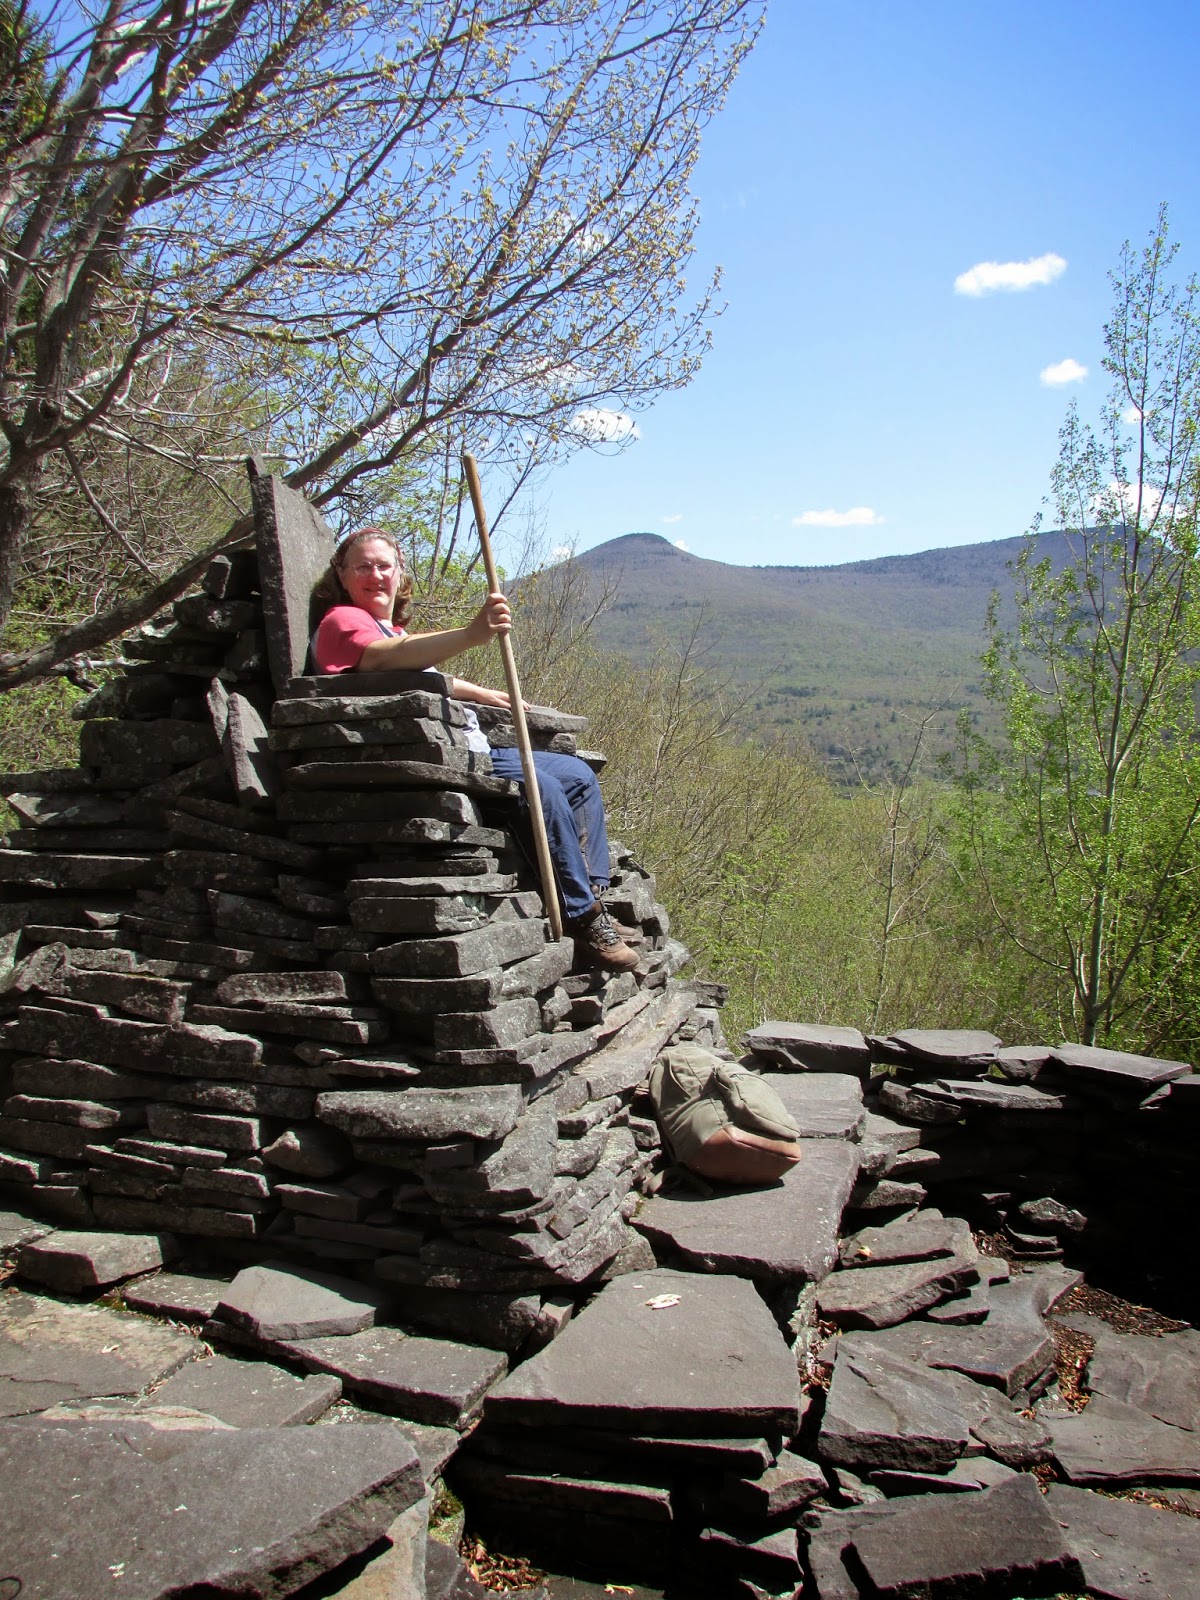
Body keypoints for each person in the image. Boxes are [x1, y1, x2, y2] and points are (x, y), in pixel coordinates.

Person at [311, 526, 639, 972]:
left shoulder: (390, 627)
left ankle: (591, 891)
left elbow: (416, 665)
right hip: (436, 757)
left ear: (400, 574)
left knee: (576, 776)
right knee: (538, 785)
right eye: (362, 566)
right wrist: (472, 633)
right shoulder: (343, 621)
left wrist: (482, 692)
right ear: (343, 576)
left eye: (384, 565)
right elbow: (380, 658)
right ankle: (583, 916)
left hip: (470, 746)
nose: (375, 574)